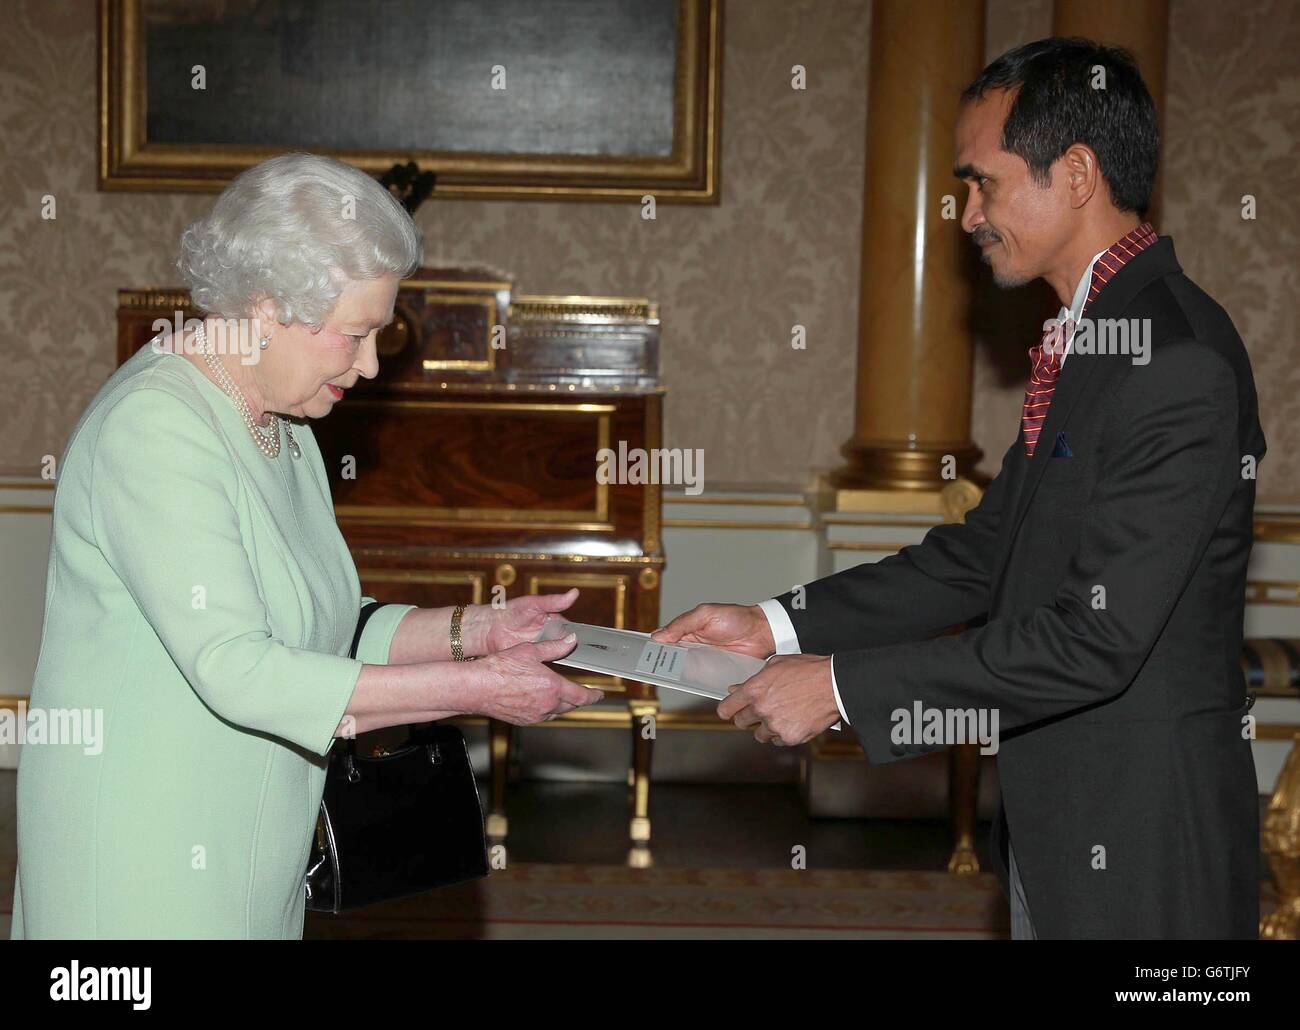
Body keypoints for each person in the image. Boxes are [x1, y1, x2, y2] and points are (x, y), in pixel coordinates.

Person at [656, 38, 1265, 939]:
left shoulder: (1174, 358)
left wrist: (843, 689)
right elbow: (983, 557)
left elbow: (1097, 642)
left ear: (1078, 173)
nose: (966, 213)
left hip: (1144, 842)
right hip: (1058, 819)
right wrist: (776, 624)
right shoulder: (1097, 332)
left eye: (983, 183)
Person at [12, 153, 600, 939]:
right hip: (145, 853)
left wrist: (477, 633)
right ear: (264, 308)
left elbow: (324, 620)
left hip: (253, 843)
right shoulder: (156, 430)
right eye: (354, 335)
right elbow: (241, 668)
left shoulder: (281, 423)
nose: (368, 364)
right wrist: (480, 691)